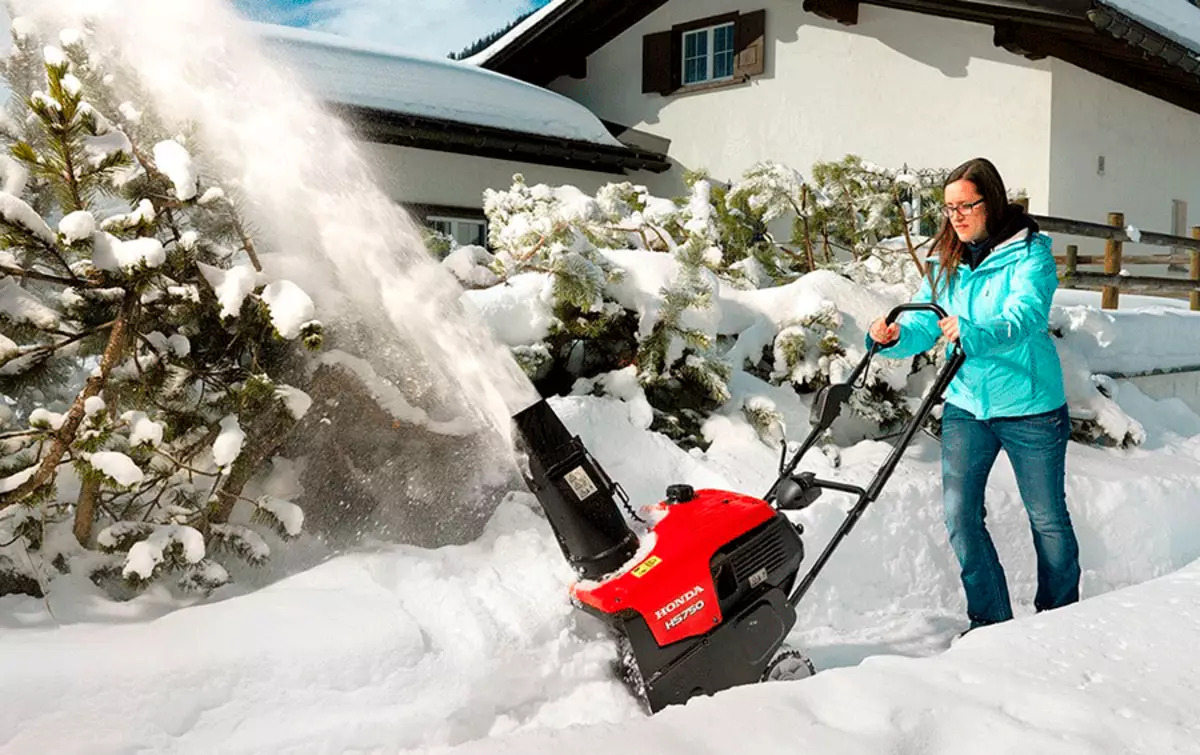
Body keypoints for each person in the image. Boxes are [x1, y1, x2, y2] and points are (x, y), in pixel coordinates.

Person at [866, 157, 1080, 633]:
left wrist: (972, 331)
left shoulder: (1030, 256)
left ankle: (1059, 621)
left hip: (1030, 407)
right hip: (967, 404)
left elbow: (1023, 318)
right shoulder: (948, 259)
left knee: (1047, 519)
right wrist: (895, 335)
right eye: (948, 208)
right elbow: (927, 321)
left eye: (966, 205)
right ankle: (990, 622)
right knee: (960, 515)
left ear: (992, 201)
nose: (956, 216)